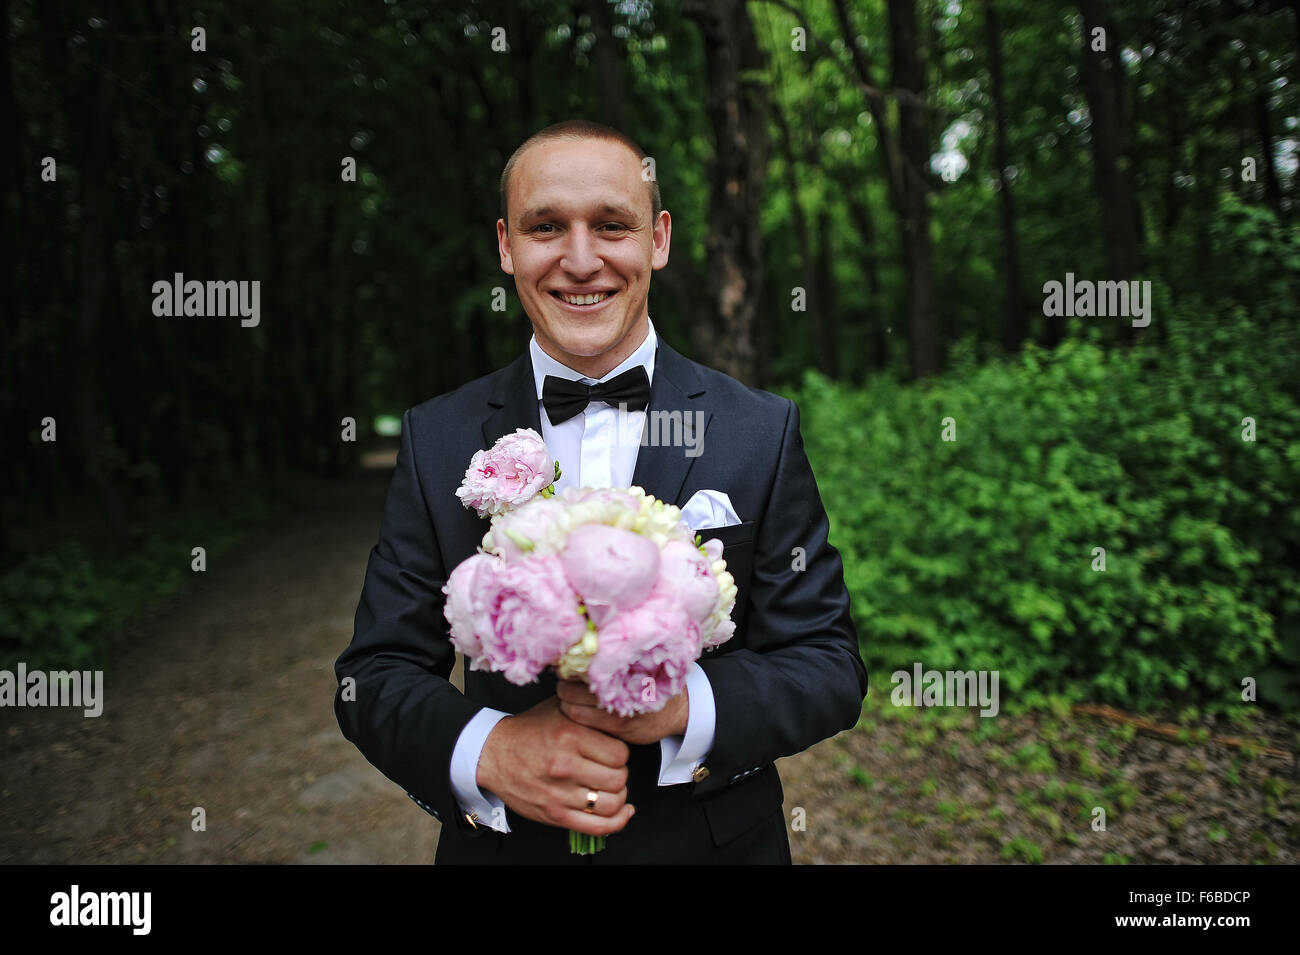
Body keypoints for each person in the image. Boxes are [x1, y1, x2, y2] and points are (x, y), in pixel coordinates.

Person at [333, 119, 867, 864]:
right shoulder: (438, 438)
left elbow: (827, 661)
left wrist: (685, 708)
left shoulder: (759, 431)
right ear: (506, 245)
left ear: (658, 239)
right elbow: (375, 673)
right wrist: (488, 749)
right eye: (546, 226)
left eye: (611, 225)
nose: (580, 260)